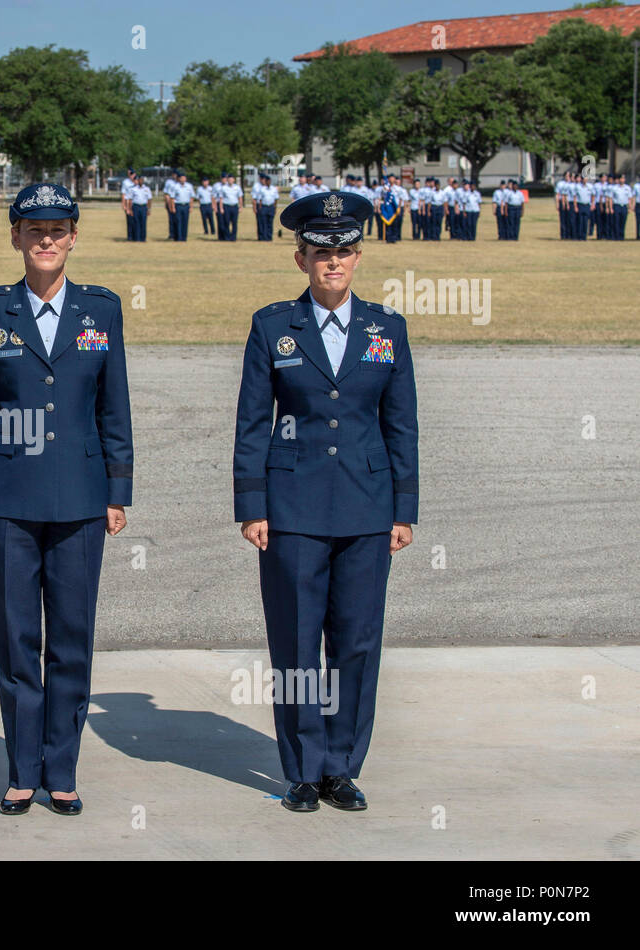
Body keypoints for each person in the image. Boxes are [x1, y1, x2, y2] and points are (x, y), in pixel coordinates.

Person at [232, 189, 417, 813]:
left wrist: (404, 508)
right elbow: (253, 422)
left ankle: (341, 765)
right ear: (300, 259)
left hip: (367, 506)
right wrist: (252, 505)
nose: (332, 262)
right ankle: (303, 769)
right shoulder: (271, 325)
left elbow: (402, 424)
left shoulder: (386, 328)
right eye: (319, 252)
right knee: (296, 639)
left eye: (342, 251)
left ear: (359, 256)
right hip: (292, 508)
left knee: (357, 641)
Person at [0, 183, 133, 817]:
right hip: (7, 499)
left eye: (58, 230)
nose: (47, 240)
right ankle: (21, 768)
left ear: (74, 236)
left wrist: (117, 491)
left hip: (82, 498)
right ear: (15, 237)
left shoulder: (101, 310)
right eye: (34, 230)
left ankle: (63, 768)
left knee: (72, 639)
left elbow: (114, 408)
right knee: (16, 638)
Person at [129, 175, 150, 242]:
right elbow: (130, 200)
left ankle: (143, 238)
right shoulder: (134, 189)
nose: (141, 181)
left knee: (143, 223)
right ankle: (137, 238)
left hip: (143, 207)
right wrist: (130, 209)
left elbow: (149, 199)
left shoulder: (147, 189)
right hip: (136, 207)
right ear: (138, 181)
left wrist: (148, 209)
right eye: (139, 180)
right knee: (136, 223)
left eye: (142, 180)